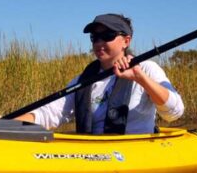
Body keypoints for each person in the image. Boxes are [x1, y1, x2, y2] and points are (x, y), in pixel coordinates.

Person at [14, 13, 183, 134]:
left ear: (126, 41)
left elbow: (174, 113)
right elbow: (49, 114)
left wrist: (140, 79)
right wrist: (6, 125)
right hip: (96, 154)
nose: (99, 42)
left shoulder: (146, 69)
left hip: (135, 151)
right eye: (95, 37)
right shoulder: (83, 80)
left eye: (107, 36)